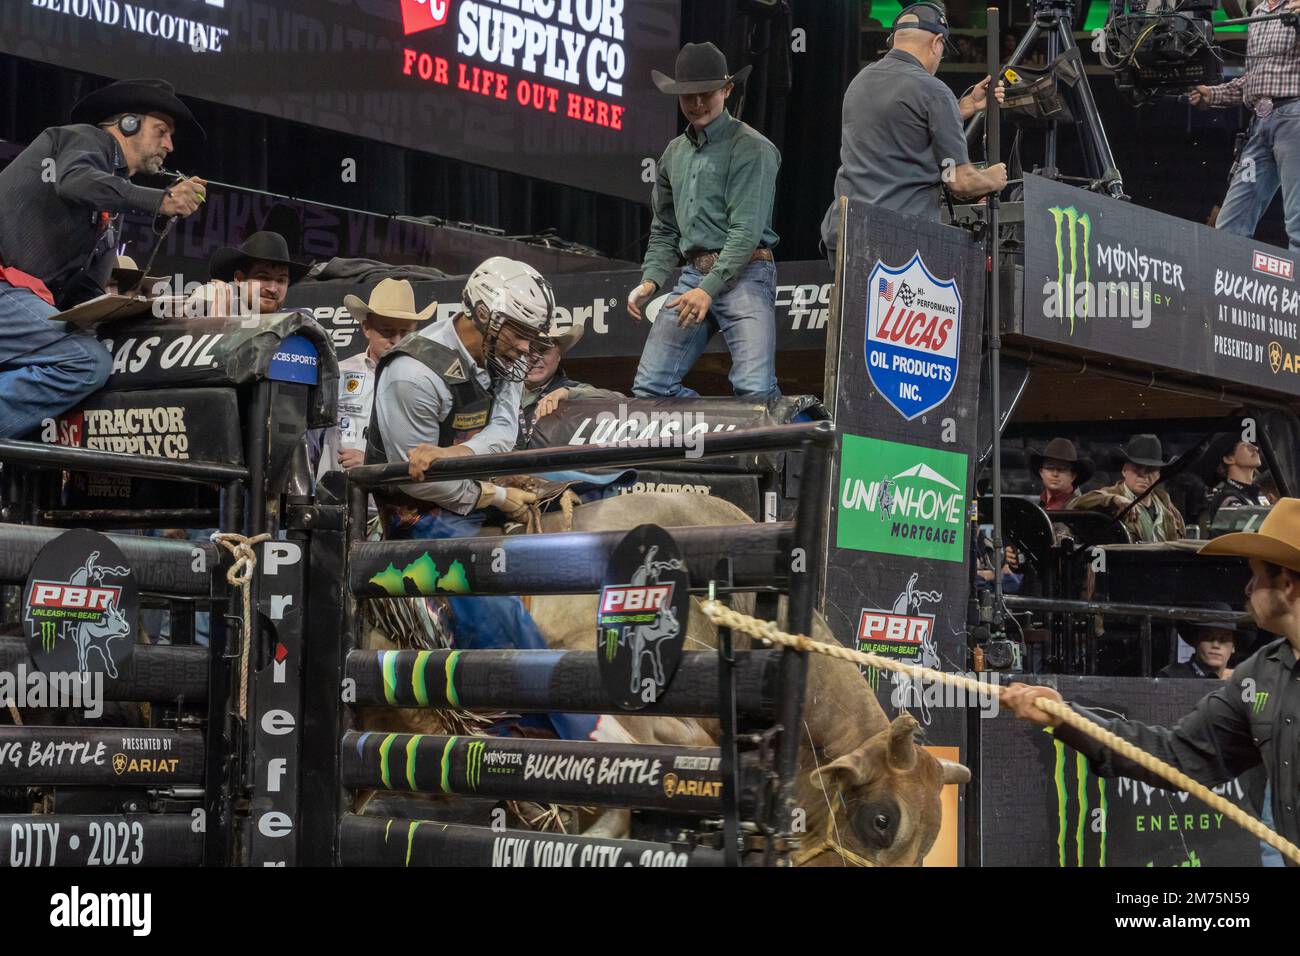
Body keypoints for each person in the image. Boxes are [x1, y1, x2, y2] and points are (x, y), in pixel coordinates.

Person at [368, 257, 603, 740]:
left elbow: (503, 431)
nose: (526, 348)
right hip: (418, 513)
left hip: (473, 475)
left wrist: (456, 454)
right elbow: (418, 482)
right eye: (518, 333)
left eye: (532, 337)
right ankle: (567, 730)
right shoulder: (412, 374)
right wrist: (492, 495)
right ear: (481, 315)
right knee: (489, 606)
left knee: (596, 481)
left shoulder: (506, 355)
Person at [1002, 497, 1300, 855]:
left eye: (1256, 576)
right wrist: (1065, 718)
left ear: (1286, 583)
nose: (1247, 589)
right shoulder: (1260, 675)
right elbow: (1173, 755)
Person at [0, 78, 206, 438]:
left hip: (18, 302)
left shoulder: (110, 209)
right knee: (85, 361)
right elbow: (75, 181)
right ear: (128, 123)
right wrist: (160, 200)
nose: (169, 145)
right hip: (6, 288)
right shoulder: (84, 139)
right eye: (161, 131)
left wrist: (139, 310)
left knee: (94, 351)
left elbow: (86, 295)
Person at [626, 42, 782, 401]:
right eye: (688, 96)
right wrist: (651, 279)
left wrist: (707, 289)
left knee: (754, 389)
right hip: (694, 275)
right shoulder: (673, 153)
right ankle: (714, 434)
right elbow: (665, 229)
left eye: (706, 94)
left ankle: (795, 434)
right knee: (650, 388)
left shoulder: (752, 147)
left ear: (727, 90)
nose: (696, 103)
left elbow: (745, 232)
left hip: (746, 272)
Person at [819, 3, 1007, 261]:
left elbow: (905, 123)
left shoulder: (860, 81)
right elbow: (959, 181)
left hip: (846, 234)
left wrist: (966, 107)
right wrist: (992, 178)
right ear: (937, 43)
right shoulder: (934, 90)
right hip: (898, 242)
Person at [1189, 0, 1300, 250]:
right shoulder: (1259, 12)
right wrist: (1213, 94)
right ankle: (1221, 271)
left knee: (1298, 222)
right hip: (1260, 125)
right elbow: (1253, 78)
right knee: (1229, 225)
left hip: (1294, 118)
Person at [317, 278, 430, 479]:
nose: (396, 340)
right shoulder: (337, 374)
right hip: (334, 491)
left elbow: (429, 450)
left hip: (396, 493)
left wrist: (374, 463)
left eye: (404, 332)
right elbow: (312, 439)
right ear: (366, 327)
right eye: (387, 331)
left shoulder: (427, 382)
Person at [518, 315, 623, 448]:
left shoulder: (569, 389)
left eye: (543, 350)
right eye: (528, 351)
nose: (534, 358)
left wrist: (566, 393)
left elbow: (619, 399)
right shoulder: (502, 390)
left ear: (559, 355)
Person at [1072, 434, 1186, 542]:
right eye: (1138, 467)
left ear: (1158, 475)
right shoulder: (1110, 496)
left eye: (1151, 469)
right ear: (1124, 470)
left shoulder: (1167, 507)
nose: (1143, 474)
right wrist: (1114, 499)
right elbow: (1075, 504)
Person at [205, 230, 308, 316]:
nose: (272, 289)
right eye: (263, 277)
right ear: (239, 279)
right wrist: (219, 323)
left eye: (281, 280)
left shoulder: (299, 326)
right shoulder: (204, 317)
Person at [1201, 436, 1272, 528]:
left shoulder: (1257, 495)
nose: (1255, 448)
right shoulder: (1228, 498)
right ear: (1229, 459)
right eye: (1245, 445)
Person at [1029, 437, 1093, 511]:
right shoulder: (1039, 503)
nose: (1055, 474)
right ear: (1041, 472)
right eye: (1050, 468)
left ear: (1073, 476)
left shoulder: (1079, 507)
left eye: (1062, 469)